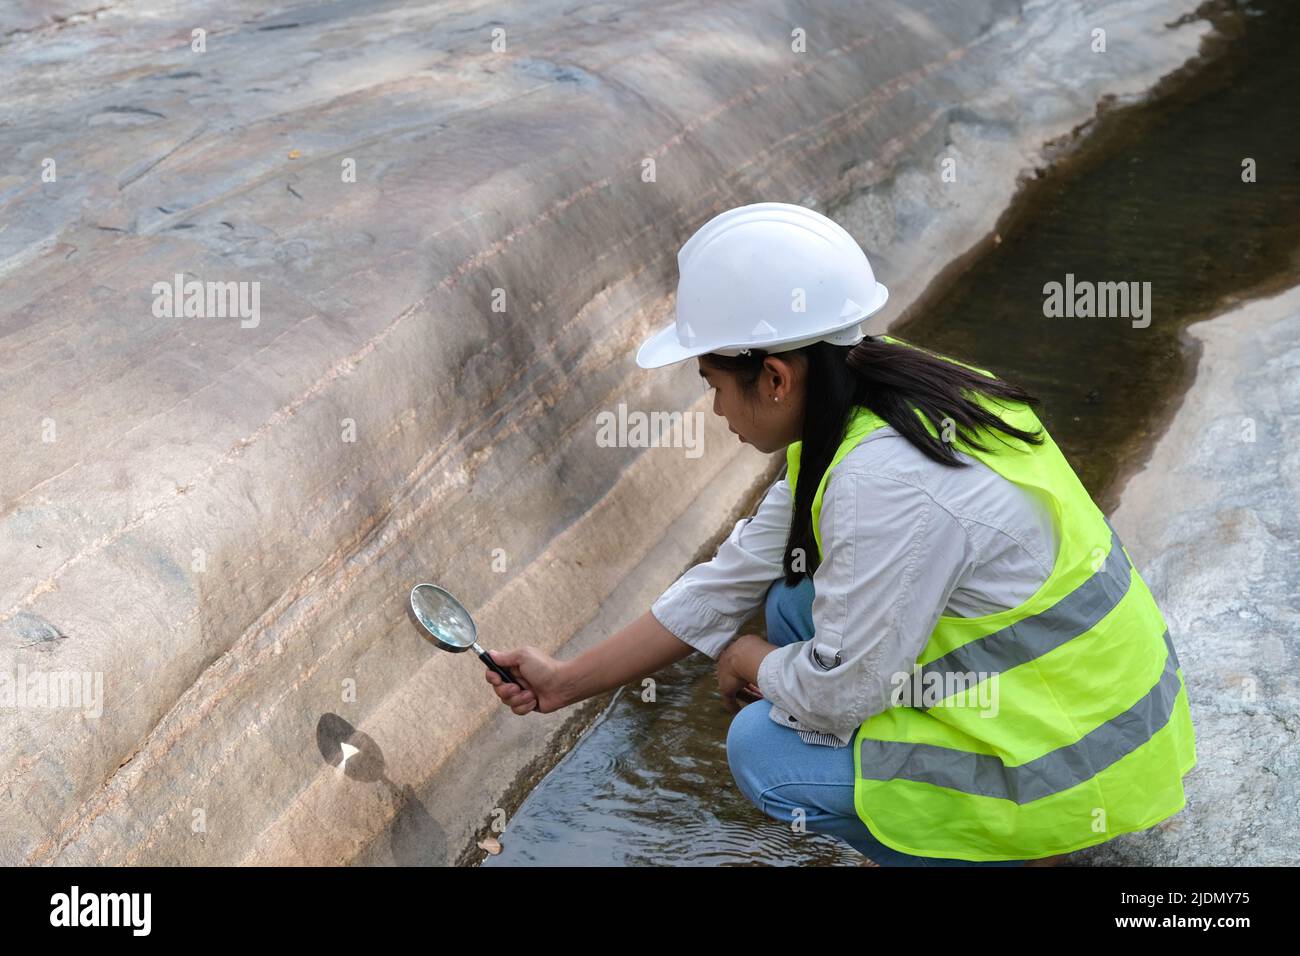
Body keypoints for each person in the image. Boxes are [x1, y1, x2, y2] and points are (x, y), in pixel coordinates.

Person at [483, 202, 1197, 866]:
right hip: (1096, 714)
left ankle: (1015, 851)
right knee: (794, 595)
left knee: (765, 750)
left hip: (1078, 771)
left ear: (773, 378)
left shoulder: (881, 483)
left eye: (713, 385)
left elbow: (840, 693)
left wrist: (752, 662)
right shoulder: (889, 395)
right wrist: (565, 682)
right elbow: (730, 579)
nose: (715, 410)